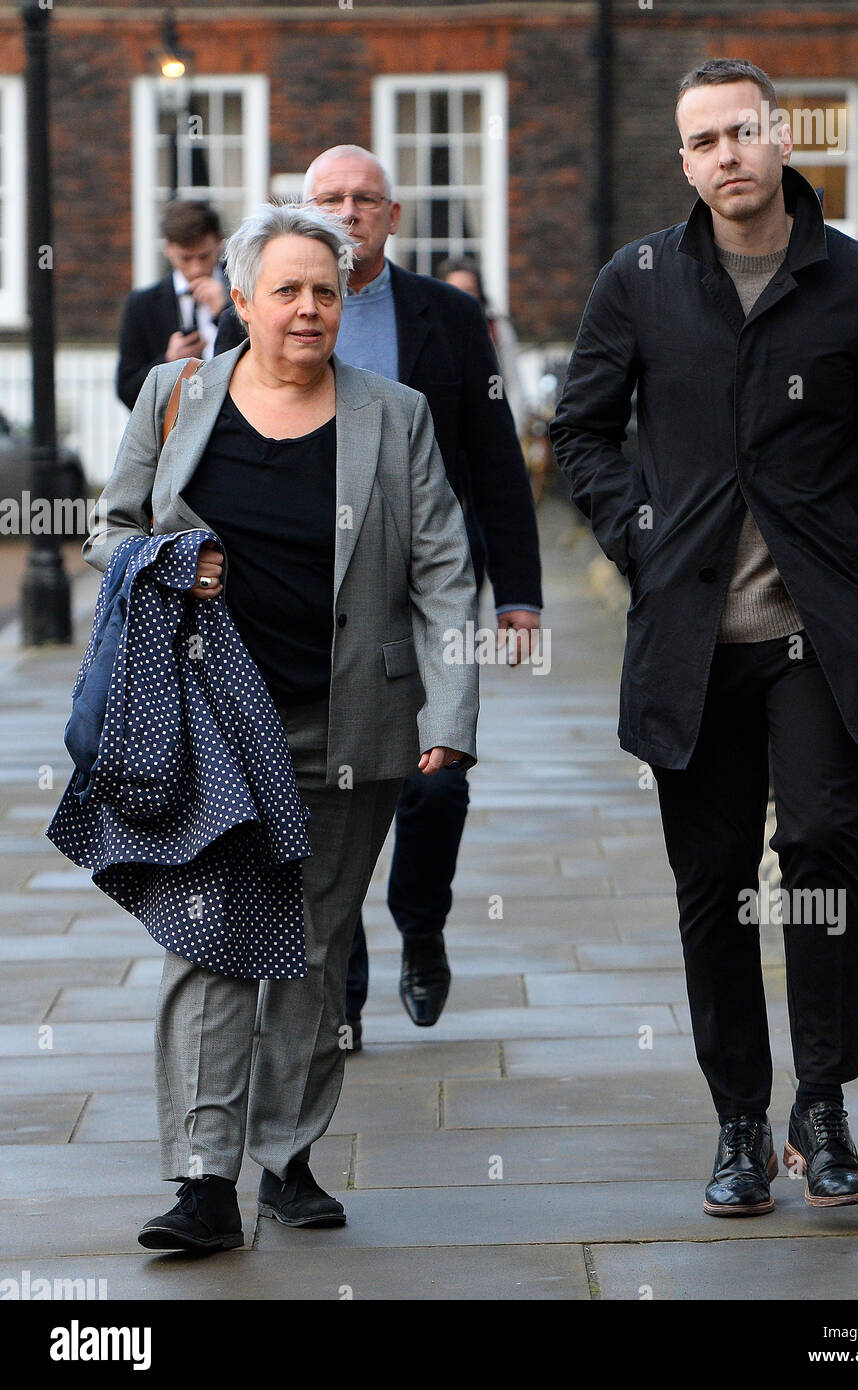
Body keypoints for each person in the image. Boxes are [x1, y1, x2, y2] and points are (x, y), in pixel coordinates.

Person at [550, 58, 858, 1217]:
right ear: (684, 163)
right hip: (690, 641)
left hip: (818, 637)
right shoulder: (638, 282)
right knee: (713, 880)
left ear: (783, 139)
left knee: (823, 846)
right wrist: (639, 535)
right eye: (702, 141)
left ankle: (821, 1111)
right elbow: (580, 430)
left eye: (742, 131)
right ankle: (738, 1119)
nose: (725, 154)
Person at [84, 201, 478, 1252]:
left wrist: (451, 712)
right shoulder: (175, 395)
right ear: (242, 300)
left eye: (326, 292)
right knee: (205, 943)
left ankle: (286, 1155)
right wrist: (168, 559)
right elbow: (110, 529)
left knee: (311, 945)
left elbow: (444, 569)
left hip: (348, 722)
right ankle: (203, 1178)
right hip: (205, 724)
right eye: (287, 290)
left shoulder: (394, 413)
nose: (309, 308)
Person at [215, 147, 542, 1041]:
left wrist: (518, 591)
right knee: (324, 791)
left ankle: (422, 928)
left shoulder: (447, 315)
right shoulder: (255, 313)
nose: (348, 212)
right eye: (330, 197)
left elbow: (494, 458)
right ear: (303, 208)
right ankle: (343, 997)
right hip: (298, 598)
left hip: (423, 587)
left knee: (434, 783)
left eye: (365, 199)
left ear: (392, 217)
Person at [116, 200, 231, 410]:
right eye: (185, 259)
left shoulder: (241, 292)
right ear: (168, 250)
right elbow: (127, 391)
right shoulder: (142, 305)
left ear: (218, 244)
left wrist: (226, 312)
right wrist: (169, 361)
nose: (196, 269)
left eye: (204, 256)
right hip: (173, 425)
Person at [439, 255, 526, 432]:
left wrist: (511, 432)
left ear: (479, 293)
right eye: (453, 290)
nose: (461, 297)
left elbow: (510, 385)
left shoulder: (497, 329)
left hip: (488, 429)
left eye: (469, 290)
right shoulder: (431, 332)